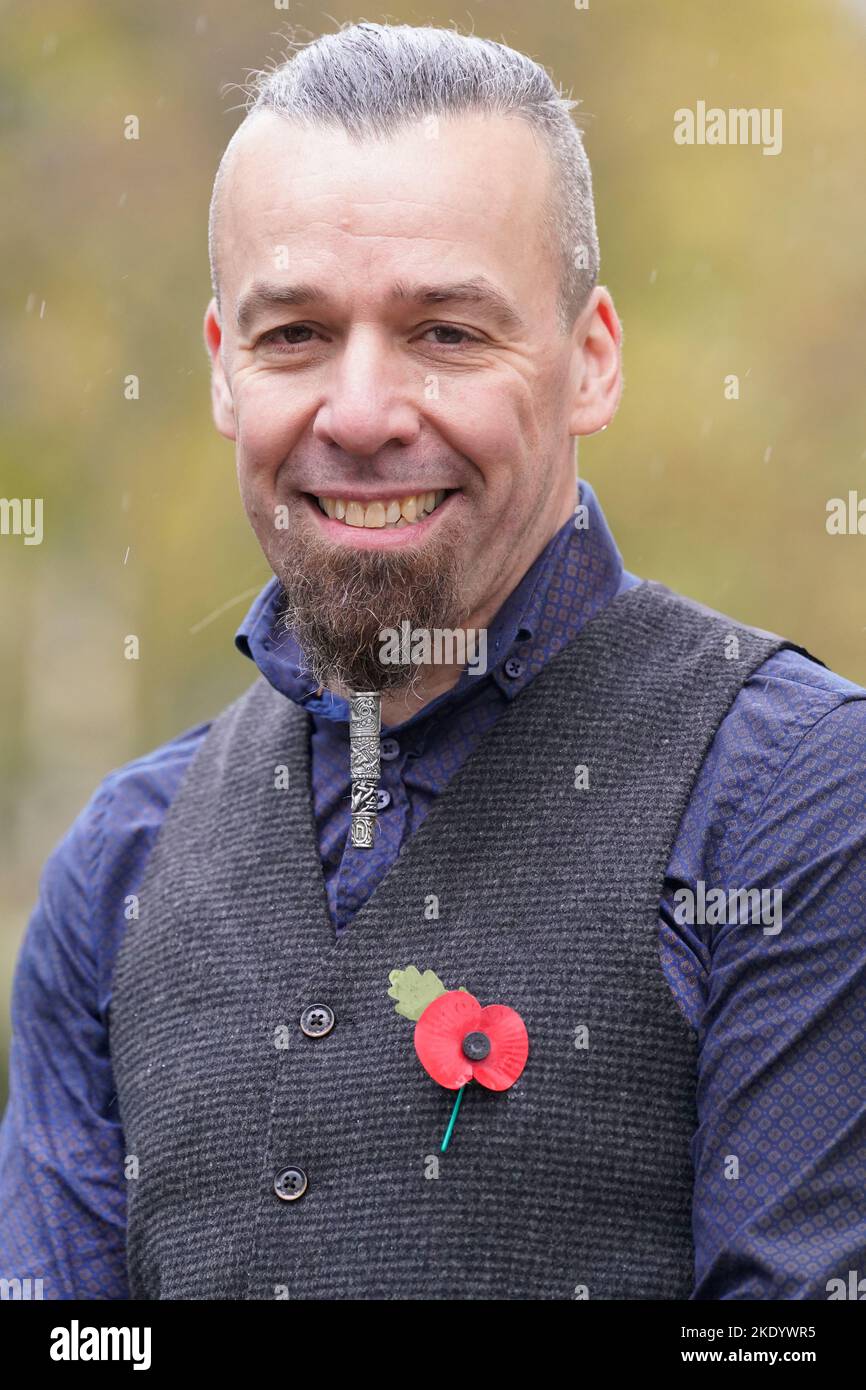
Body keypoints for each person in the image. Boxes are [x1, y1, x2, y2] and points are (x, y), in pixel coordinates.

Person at [2, 21, 865, 1302]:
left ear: (590, 359)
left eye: (446, 333)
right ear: (224, 375)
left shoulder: (796, 797)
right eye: (293, 333)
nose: (358, 412)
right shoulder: (114, 867)